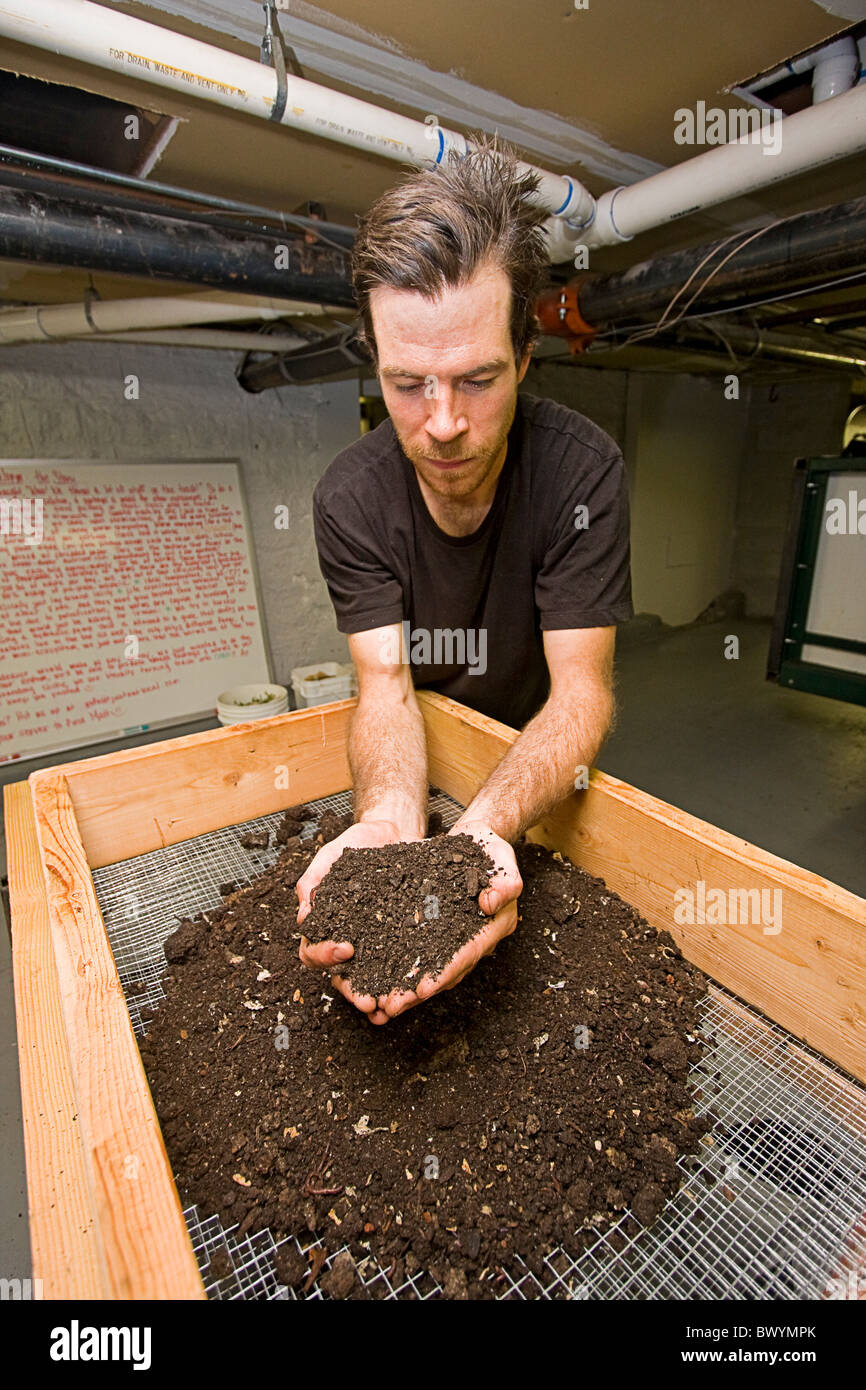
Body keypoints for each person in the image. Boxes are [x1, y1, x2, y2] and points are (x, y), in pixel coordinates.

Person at [296, 134, 633, 1024]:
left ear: (525, 356)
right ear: (373, 359)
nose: (442, 425)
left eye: (476, 380)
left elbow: (582, 695)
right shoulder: (350, 500)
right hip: (422, 755)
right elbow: (386, 689)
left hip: (532, 770)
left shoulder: (581, 475)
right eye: (407, 385)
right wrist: (386, 825)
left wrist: (482, 835)